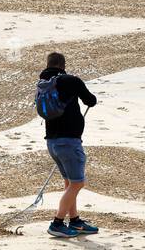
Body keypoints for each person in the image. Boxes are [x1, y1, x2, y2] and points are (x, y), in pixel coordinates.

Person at [38, 52, 99, 238]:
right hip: (69, 141)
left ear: (48, 65)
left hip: (52, 142)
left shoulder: (42, 84)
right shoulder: (72, 81)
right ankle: (57, 223)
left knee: (69, 182)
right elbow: (91, 100)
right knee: (78, 183)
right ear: (63, 66)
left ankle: (75, 221)